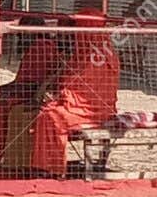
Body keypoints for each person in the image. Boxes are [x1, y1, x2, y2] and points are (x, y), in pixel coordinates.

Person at [28, 11, 120, 177]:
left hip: (93, 111)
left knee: (51, 117)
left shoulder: (99, 55)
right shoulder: (85, 53)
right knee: (48, 114)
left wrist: (61, 95)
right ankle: (48, 166)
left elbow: (81, 89)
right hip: (82, 108)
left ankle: (52, 168)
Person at [0, 15, 65, 174]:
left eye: (21, 32)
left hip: (29, 97)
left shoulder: (40, 48)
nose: (19, 36)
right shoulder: (41, 47)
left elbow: (29, 85)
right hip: (25, 94)